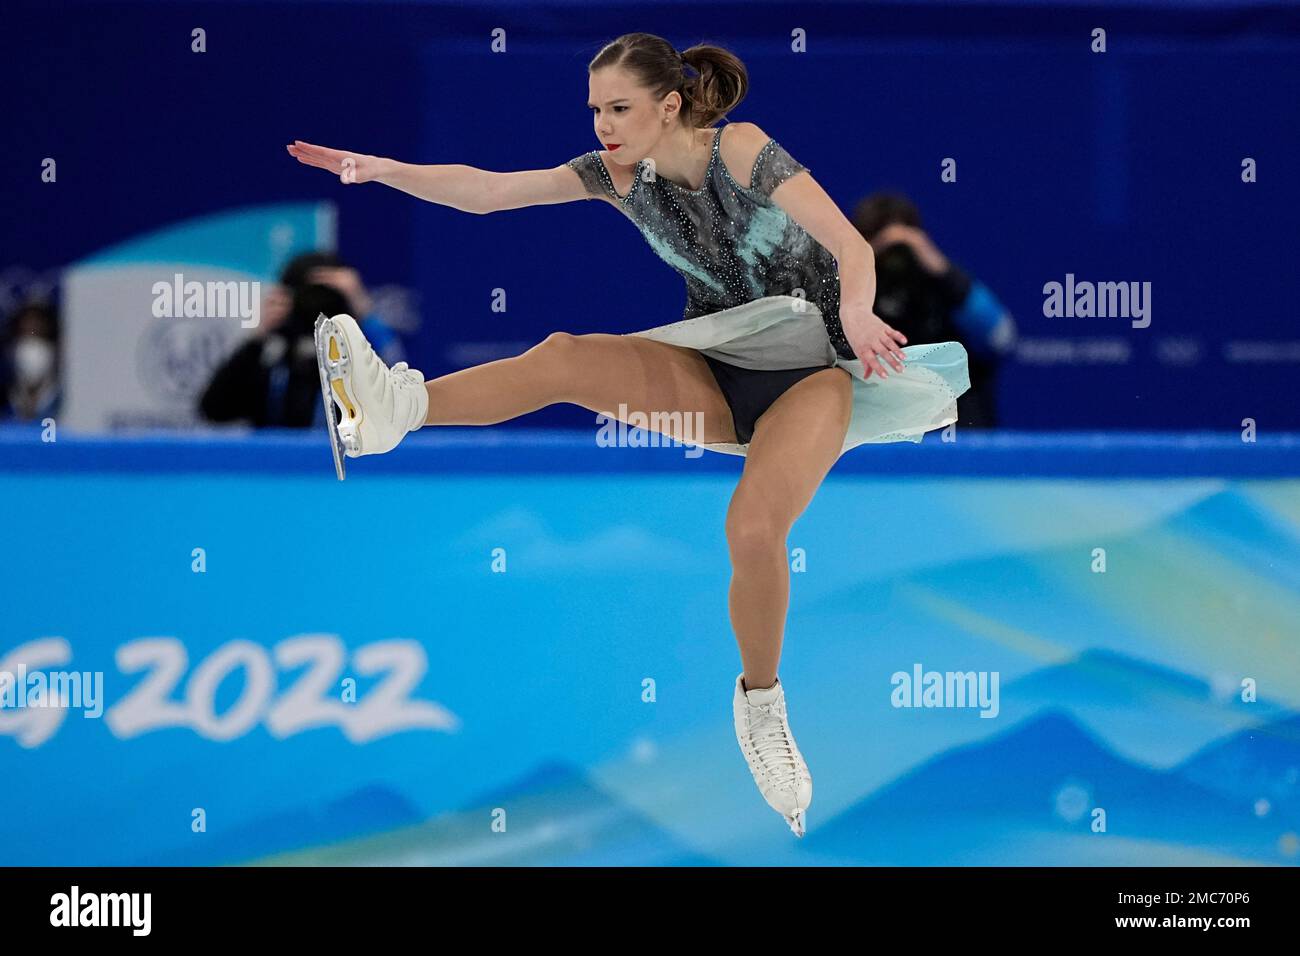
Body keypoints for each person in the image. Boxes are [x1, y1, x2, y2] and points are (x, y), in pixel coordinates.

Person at [287, 32, 970, 837]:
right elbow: (489, 192)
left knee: (752, 529)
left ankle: (761, 706)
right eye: (595, 111)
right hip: (717, 362)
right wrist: (381, 171)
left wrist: (856, 309)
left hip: (812, 369)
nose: (604, 125)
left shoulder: (741, 150)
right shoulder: (613, 176)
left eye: (620, 108)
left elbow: (851, 245)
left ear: (669, 104)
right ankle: (394, 415)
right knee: (564, 357)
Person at [852, 192, 1016, 427]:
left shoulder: (947, 288)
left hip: (960, 444)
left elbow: (1002, 338)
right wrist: (856, 273)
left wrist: (945, 274)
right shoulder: (849, 299)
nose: (893, 255)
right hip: (876, 445)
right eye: (879, 241)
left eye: (904, 243)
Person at [198, 284, 353, 427]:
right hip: (273, 454)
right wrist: (257, 341)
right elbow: (214, 409)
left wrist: (361, 324)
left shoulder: (352, 362)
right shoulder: (272, 361)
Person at [0, 301, 61, 422]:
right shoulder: (9, 353)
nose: (32, 325)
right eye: (28, 321)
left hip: (48, 409)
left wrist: (37, 394)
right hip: (13, 411)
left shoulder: (57, 353)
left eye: (37, 321)